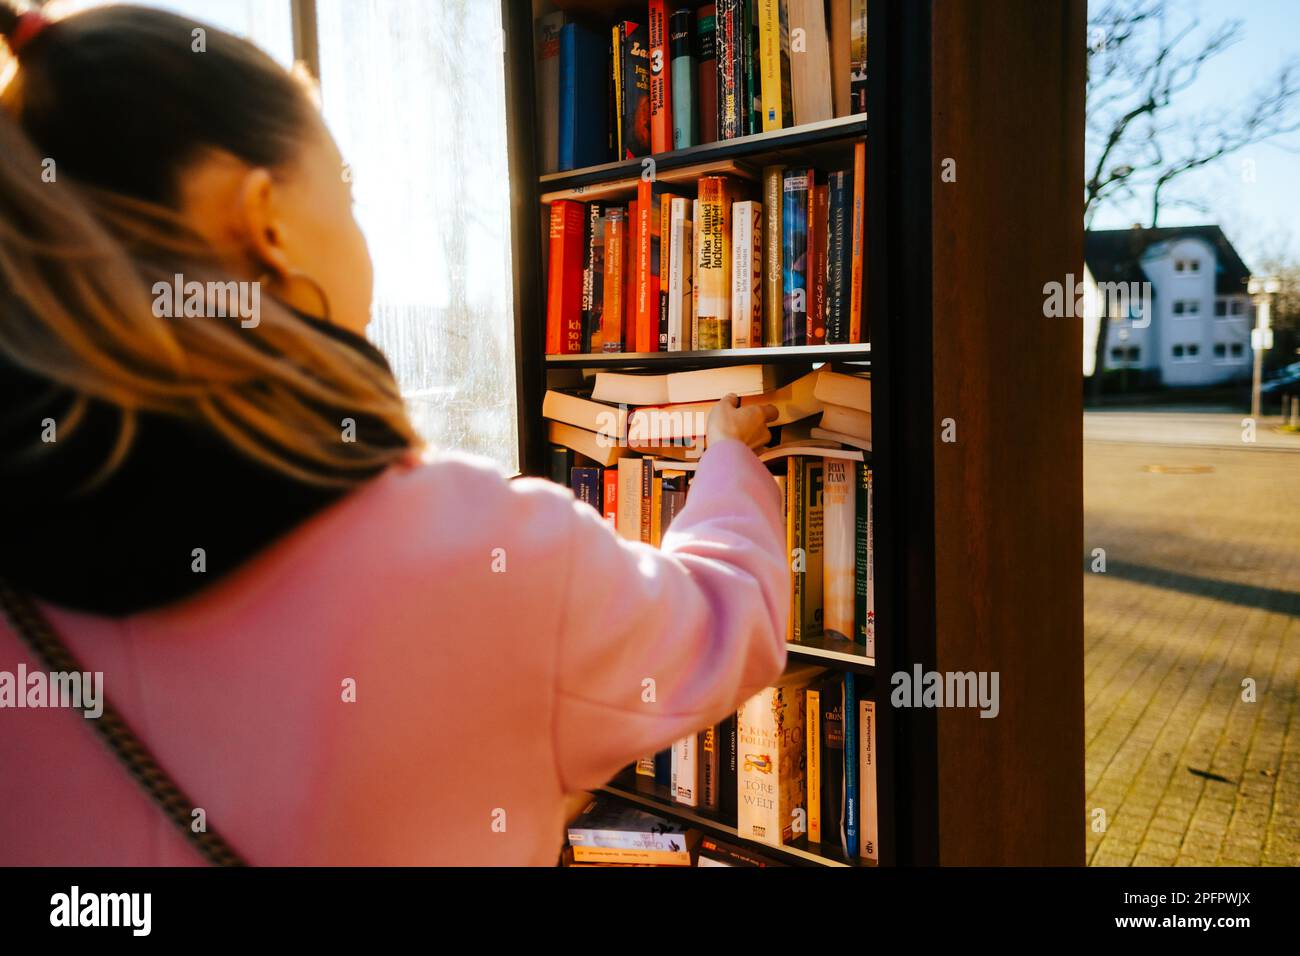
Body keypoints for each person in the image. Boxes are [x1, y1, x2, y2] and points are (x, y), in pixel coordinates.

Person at [0, 4, 788, 865]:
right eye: (345, 193)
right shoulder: (494, 556)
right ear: (266, 222)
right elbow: (731, 623)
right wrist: (728, 455)